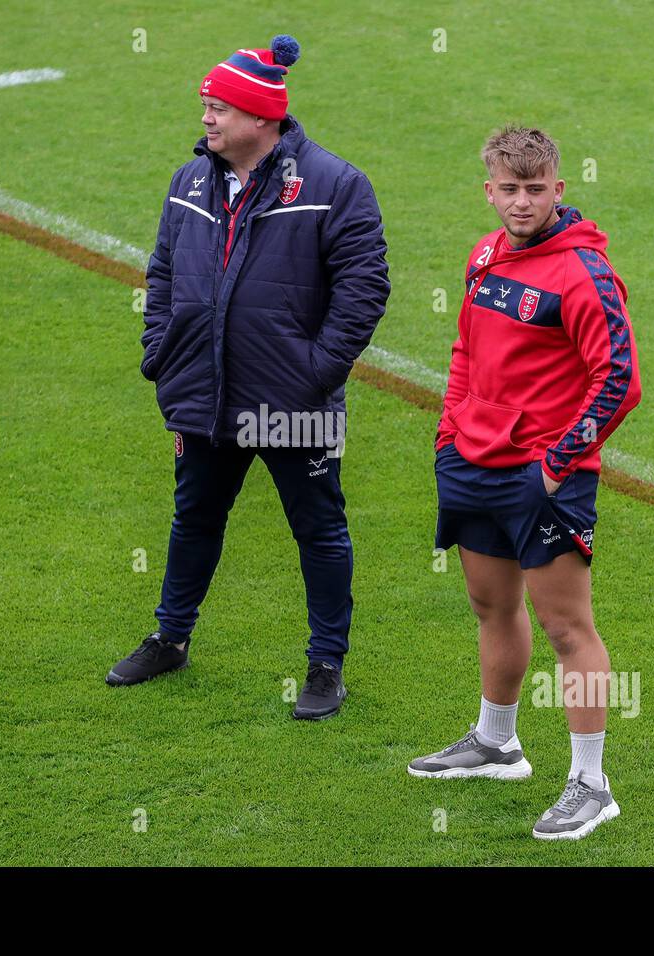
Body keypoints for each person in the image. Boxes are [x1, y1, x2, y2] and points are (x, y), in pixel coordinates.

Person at [108, 35, 390, 720]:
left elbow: (365, 287)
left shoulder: (334, 185)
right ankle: (171, 638)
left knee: (319, 530)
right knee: (194, 518)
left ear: (262, 117)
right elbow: (165, 270)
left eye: (220, 108)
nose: (207, 119)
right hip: (203, 394)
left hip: (294, 403)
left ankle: (326, 666)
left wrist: (316, 374)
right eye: (207, 106)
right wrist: (160, 350)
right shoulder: (190, 180)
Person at [409, 126, 641, 839]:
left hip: (546, 478)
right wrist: (450, 432)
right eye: (509, 189)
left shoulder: (584, 273)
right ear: (489, 189)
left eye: (535, 189)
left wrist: (554, 463)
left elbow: (619, 382)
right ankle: (496, 742)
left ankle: (591, 784)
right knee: (489, 605)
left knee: (569, 628)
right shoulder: (483, 254)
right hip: (472, 463)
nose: (521, 202)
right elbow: (464, 350)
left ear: (558, 190)